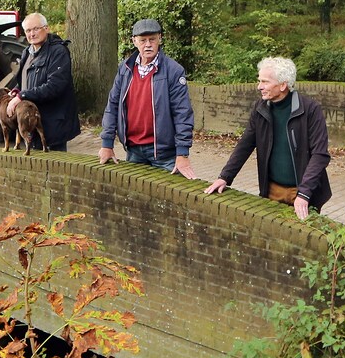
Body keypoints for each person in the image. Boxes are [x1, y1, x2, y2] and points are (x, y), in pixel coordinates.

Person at [204, 56, 331, 220]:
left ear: (283, 85)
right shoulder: (260, 108)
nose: (259, 87)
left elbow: (320, 154)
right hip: (271, 190)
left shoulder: (310, 110)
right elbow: (245, 145)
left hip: (303, 193)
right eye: (259, 81)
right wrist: (225, 177)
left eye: (265, 82)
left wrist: (305, 193)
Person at [99, 19, 196, 178]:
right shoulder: (125, 69)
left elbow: (182, 113)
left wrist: (182, 154)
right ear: (134, 41)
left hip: (165, 154)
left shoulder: (173, 71)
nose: (148, 44)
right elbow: (113, 106)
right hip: (134, 151)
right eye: (143, 40)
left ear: (160, 38)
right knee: (136, 198)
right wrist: (107, 144)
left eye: (152, 39)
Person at [5, 13, 80, 152]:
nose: (32, 34)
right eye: (28, 30)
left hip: (52, 122)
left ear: (46, 28)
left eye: (36, 29)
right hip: (32, 120)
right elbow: (25, 81)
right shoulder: (27, 52)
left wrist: (22, 96)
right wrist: (16, 91)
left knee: (54, 167)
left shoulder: (58, 52)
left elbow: (55, 86)